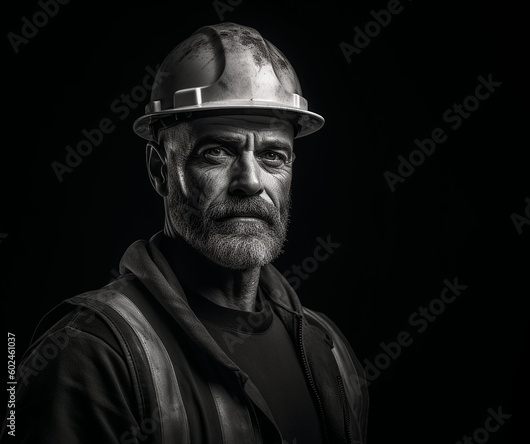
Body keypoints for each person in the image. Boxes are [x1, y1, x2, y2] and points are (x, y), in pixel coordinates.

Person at [4, 23, 367, 444]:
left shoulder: (331, 354)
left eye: (273, 155)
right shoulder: (88, 353)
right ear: (160, 171)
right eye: (217, 151)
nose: (250, 180)